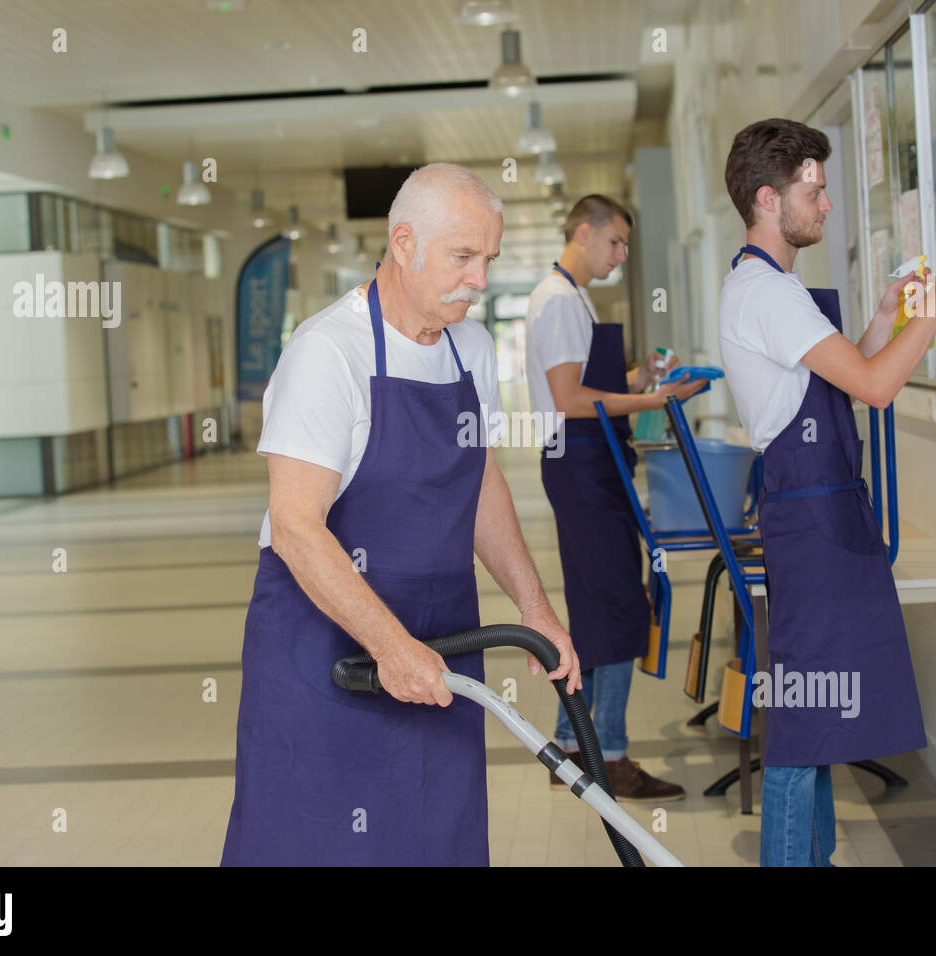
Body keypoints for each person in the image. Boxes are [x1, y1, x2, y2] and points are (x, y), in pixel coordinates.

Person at [222, 163, 580, 866]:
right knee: (316, 840)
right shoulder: (328, 353)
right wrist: (389, 647)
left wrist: (534, 609)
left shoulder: (469, 349)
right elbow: (296, 527)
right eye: (463, 257)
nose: (480, 279)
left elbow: (480, 485)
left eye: (489, 260)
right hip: (326, 652)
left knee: (433, 836)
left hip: (442, 638)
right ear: (404, 243)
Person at [717, 118, 936, 866]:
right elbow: (875, 387)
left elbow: (846, 374)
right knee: (803, 732)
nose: (828, 204)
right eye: (817, 189)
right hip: (812, 528)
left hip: (827, 517)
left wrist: (883, 317)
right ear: (770, 200)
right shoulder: (763, 294)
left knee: (818, 727)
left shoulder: (776, 290)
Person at [526, 194, 703, 802]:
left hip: (590, 459)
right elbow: (571, 400)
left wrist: (645, 379)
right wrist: (653, 404)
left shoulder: (574, 298)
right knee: (621, 607)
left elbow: (593, 388)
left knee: (600, 608)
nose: (622, 255)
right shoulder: (554, 301)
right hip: (580, 462)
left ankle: (569, 747)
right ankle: (614, 756)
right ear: (583, 233)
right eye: (615, 243)